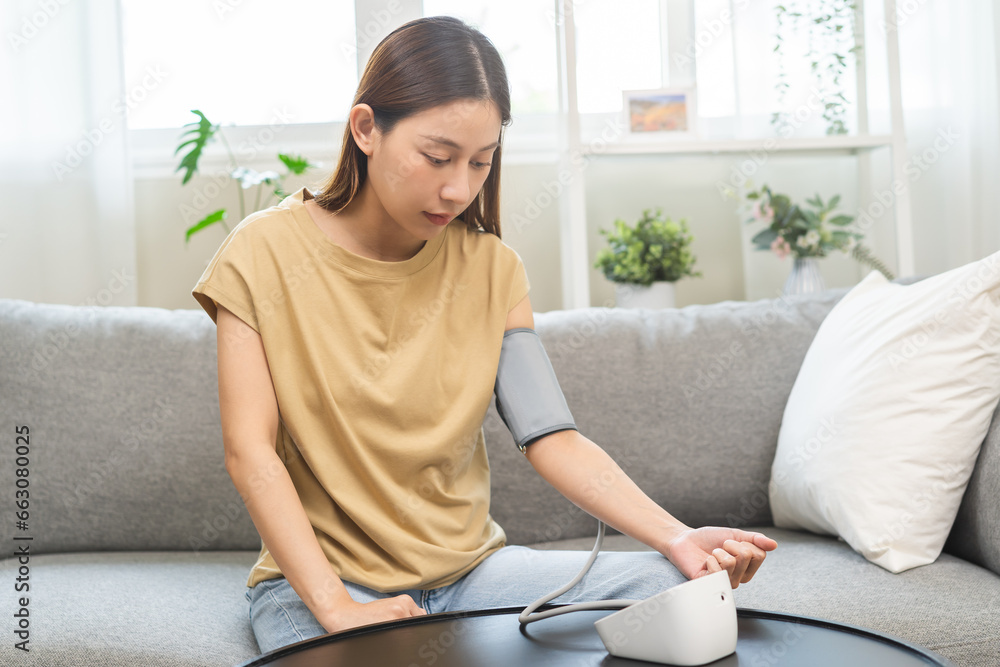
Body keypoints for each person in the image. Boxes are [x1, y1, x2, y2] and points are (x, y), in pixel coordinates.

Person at [191, 15, 777, 657]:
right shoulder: (262, 252)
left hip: (475, 575)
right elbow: (251, 454)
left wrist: (675, 536)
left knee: (677, 583)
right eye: (437, 157)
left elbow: (552, 435)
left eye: (480, 162)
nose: (457, 188)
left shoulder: (493, 269)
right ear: (365, 129)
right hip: (322, 585)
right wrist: (335, 606)